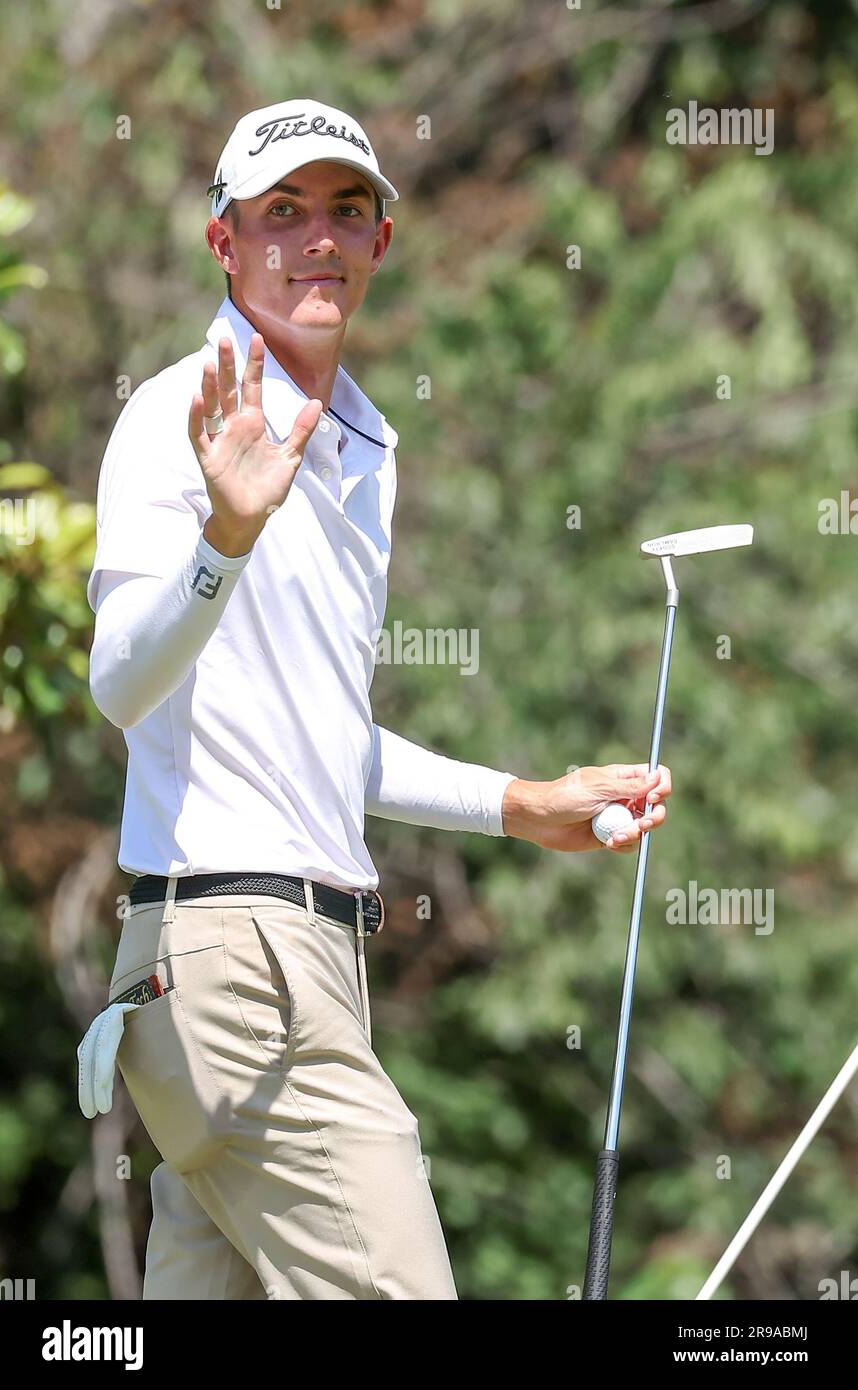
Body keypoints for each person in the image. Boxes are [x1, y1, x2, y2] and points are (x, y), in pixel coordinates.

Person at [86, 97, 672, 1300]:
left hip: (294, 964)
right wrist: (225, 540)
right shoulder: (174, 416)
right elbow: (118, 681)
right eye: (282, 212)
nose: (317, 239)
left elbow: (324, 745)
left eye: (345, 211)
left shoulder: (360, 449)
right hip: (235, 962)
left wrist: (519, 802)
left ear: (378, 243)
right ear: (224, 241)